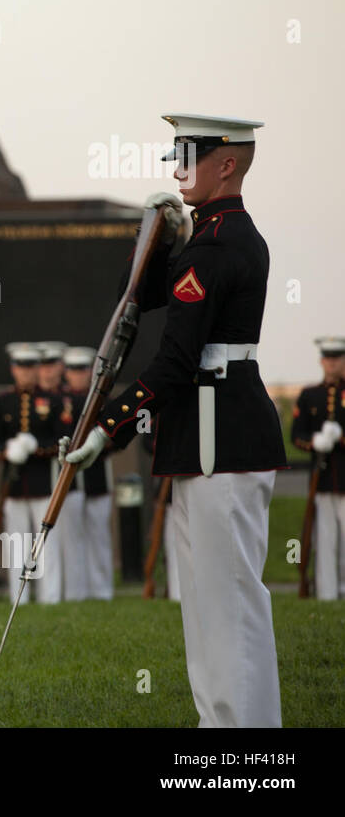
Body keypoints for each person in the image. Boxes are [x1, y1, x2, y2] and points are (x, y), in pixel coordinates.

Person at [67, 113, 286, 728]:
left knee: (230, 605)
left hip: (221, 436)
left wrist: (108, 429)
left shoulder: (219, 246)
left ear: (227, 165)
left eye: (190, 156)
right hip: (206, 436)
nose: (177, 167)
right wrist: (155, 239)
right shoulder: (206, 239)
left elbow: (175, 362)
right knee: (207, 606)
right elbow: (132, 298)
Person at [0, 342, 64, 603]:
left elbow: (61, 440)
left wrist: (37, 447)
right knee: (16, 545)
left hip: (44, 483)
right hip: (14, 485)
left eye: (31, 366)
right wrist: (7, 450)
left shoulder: (53, 401)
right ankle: (18, 596)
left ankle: (50, 596)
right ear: (13, 369)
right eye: (21, 367)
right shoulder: (3, 403)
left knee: (47, 545)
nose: (26, 372)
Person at [290, 336, 345, 600]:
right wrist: (314, 442)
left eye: (336, 359)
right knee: (324, 539)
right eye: (328, 359)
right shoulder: (310, 395)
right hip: (321, 480)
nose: (331, 363)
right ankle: (326, 592)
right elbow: (296, 435)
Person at [59, 346, 115, 601]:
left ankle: (102, 590)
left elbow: (114, 437)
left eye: (82, 370)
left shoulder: (102, 399)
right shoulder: (59, 401)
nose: (77, 375)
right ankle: (75, 592)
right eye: (72, 370)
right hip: (71, 479)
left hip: (97, 475)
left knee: (99, 535)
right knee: (72, 538)